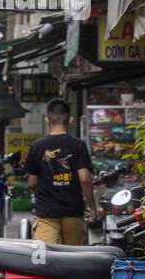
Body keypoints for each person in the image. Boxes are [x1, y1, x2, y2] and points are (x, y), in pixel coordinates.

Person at [24, 98, 97, 245]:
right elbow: (84, 179)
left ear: (47, 120)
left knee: (46, 259)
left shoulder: (37, 146)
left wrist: (44, 197)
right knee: (72, 259)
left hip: (46, 213)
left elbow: (32, 183)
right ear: (70, 120)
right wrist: (92, 208)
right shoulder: (79, 145)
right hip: (73, 211)